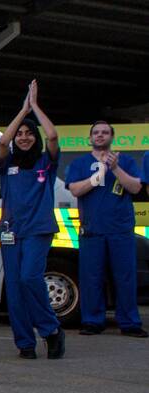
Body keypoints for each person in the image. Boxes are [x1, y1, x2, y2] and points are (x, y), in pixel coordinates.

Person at [0, 80, 64, 359]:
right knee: (14, 288)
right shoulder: (7, 164)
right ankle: (25, 343)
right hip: (11, 232)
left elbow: (53, 137)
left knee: (29, 278)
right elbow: (2, 141)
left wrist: (34, 107)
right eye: (20, 134)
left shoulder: (45, 163)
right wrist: (21, 112)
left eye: (28, 133)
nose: (23, 137)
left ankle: (51, 330)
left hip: (38, 229)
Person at [64, 120, 145, 338]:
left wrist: (115, 168)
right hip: (92, 231)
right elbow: (75, 190)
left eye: (105, 132)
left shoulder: (125, 161)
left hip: (121, 231)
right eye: (96, 133)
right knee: (91, 278)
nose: (100, 135)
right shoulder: (80, 163)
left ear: (112, 137)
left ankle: (129, 323)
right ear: (90, 138)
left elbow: (136, 187)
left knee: (125, 278)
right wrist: (97, 176)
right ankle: (92, 321)